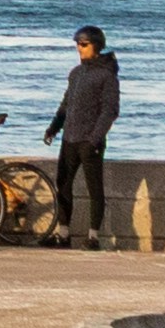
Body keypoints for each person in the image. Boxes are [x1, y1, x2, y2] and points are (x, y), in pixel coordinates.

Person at [48, 22, 123, 249]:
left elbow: (110, 111)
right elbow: (66, 104)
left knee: (94, 189)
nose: (79, 48)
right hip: (69, 138)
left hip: (90, 142)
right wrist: (54, 127)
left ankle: (93, 237)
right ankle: (63, 234)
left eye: (84, 44)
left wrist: (94, 139)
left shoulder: (107, 75)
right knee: (63, 185)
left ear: (96, 46)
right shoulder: (76, 73)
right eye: (77, 45)